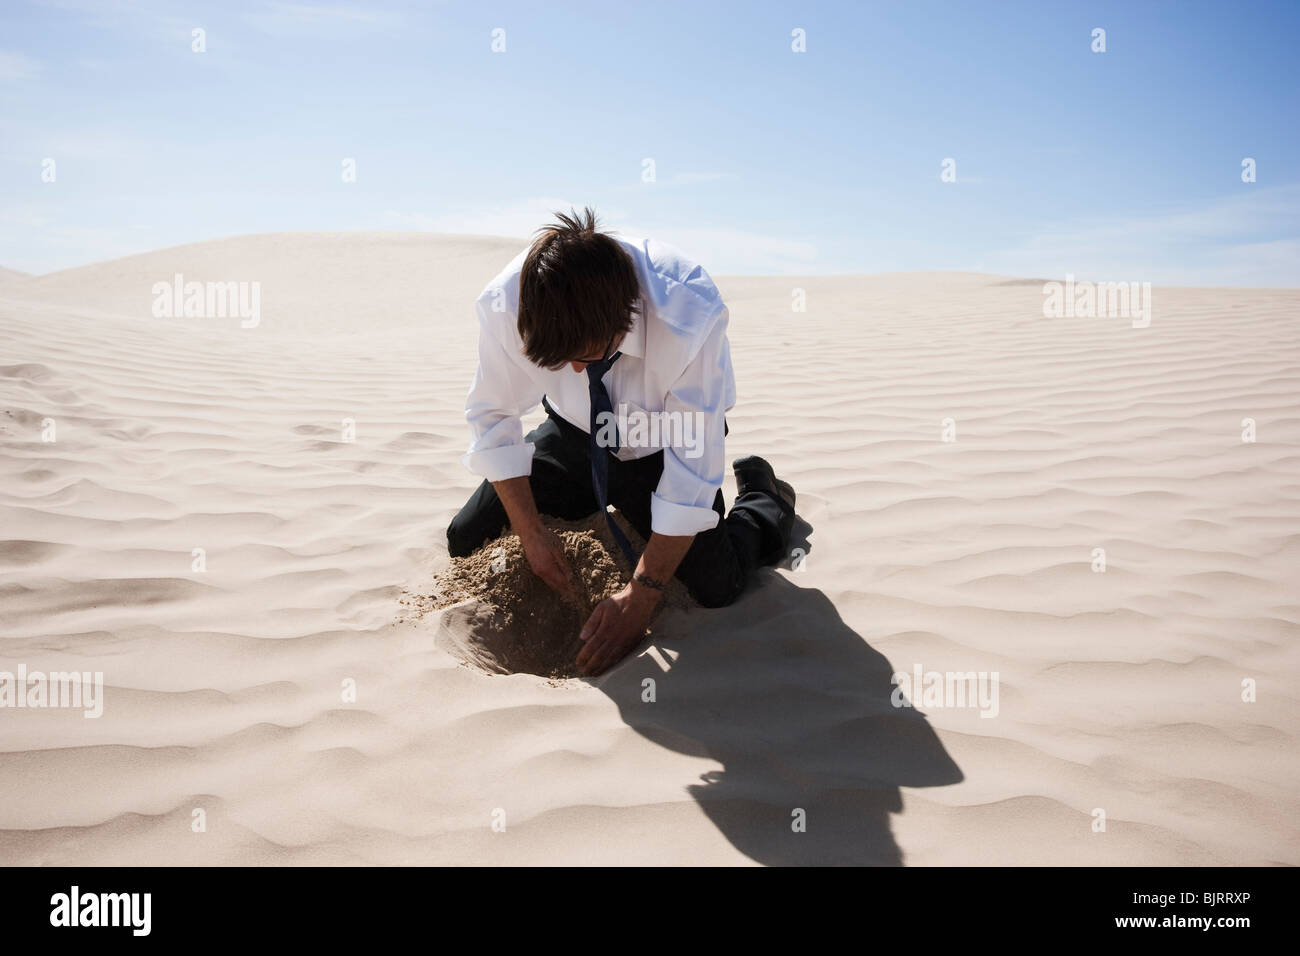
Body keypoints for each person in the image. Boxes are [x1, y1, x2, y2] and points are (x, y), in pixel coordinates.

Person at [448, 207, 796, 676]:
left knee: (719, 587)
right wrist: (531, 534)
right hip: (572, 431)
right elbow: (492, 414)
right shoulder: (504, 304)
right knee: (466, 537)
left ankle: (763, 496)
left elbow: (689, 469)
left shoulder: (689, 312)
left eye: (584, 355)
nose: (574, 370)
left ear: (624, 317)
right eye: (559, 359)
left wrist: (640, 596)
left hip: (660, 442)